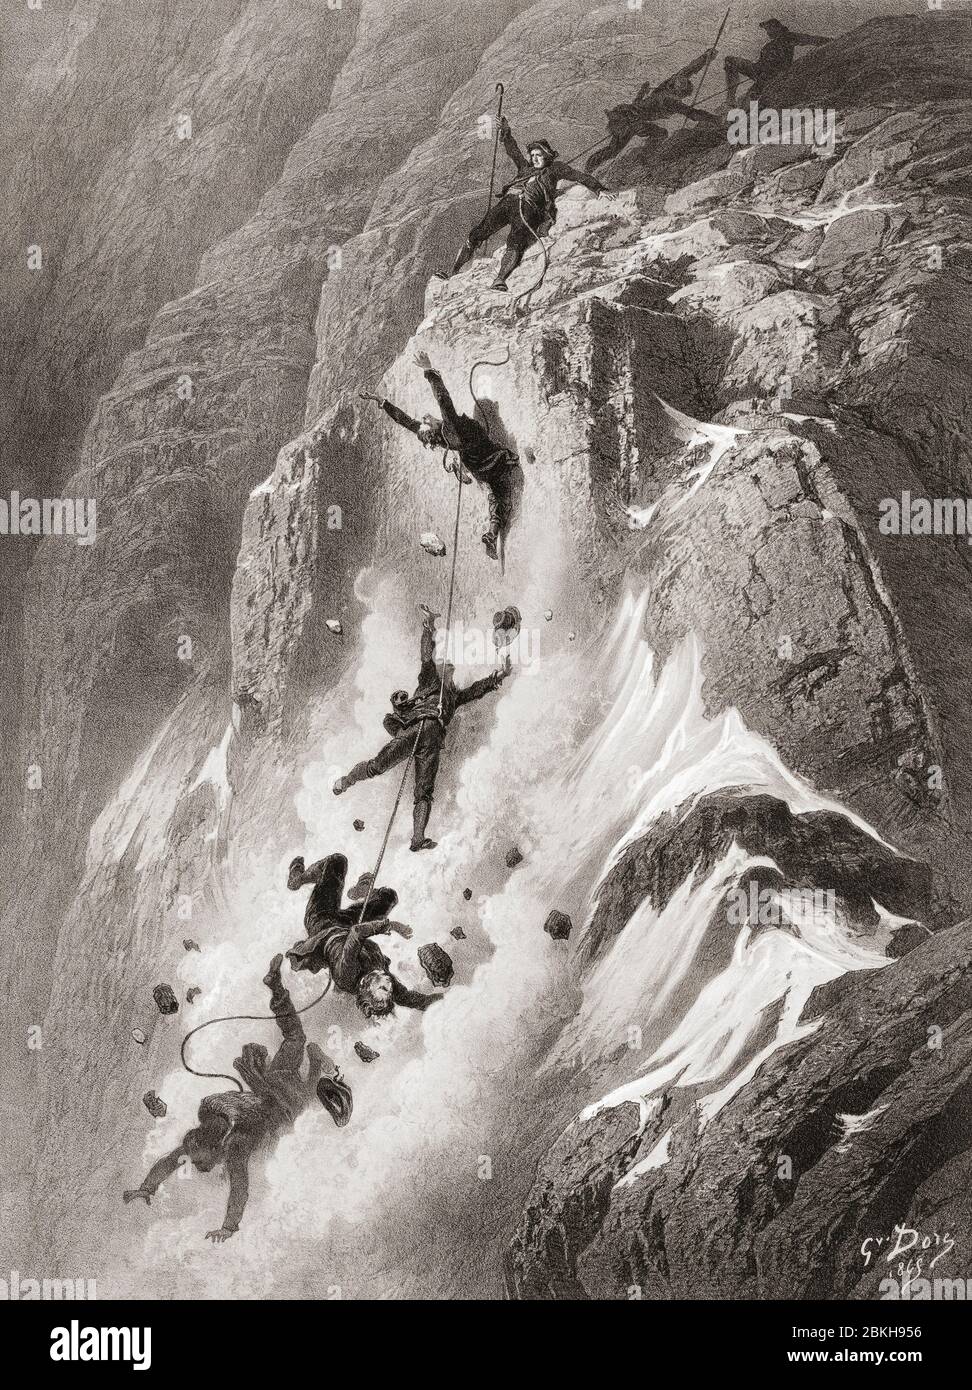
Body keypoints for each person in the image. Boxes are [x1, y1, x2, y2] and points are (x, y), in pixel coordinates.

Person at [123, 955, 347, 1242]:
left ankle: (315, 1059)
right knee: (295, 1039)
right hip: (275, 1079)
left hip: (286, 1100)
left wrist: (228, 1227)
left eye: (207, 1161)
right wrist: (147, 1186)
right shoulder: (203, 1131)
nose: (204, 1166)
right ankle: (279, 994)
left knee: (303, 1087)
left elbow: (239, 1188)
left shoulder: (235, 1146)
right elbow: (171, 1161)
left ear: (216, 1147)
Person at [333, 604, 513, 849]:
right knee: (377, 766)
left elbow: (476, 690)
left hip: (432, 741)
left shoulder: (453, 696)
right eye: (446, 667)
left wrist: (498, 677)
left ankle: (417, 838)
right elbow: (426, 657)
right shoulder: (429, 681)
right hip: (414, 730)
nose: (450, 668)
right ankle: (348, 779)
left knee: (424, 793)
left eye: (451, 668)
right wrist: (429, 626)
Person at [366, 350, 519, 560]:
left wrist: (382, 402)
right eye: (428, 420)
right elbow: (442, 398)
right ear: (434, 427)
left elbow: (407, 422)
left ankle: (492, 533)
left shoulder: (439, 439)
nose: (427, 417)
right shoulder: (451, 426)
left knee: (493, 497)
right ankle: (493, 528)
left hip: (476, 467)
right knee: (500, 493)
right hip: (492, 458)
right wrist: (429, 370)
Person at [450, 117, 608, 291]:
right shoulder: (525, 168)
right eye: (532, 156)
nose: (534, 159)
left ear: (547, 155)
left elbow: (579, 176)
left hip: (529, 208)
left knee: (516, 240)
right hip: (507, 202)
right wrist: (506, 131)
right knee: (478, 233)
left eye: (538, 155)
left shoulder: (555, 169)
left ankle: (500, 279)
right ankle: (453, 272)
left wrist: (599, 189)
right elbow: (513, 151)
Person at [285, 852, 442, 1015]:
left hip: (323, 922)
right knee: (388, 897)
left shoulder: (347, 973)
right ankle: (362, 891)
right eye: (389, 991)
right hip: (348, 924)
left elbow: (357, 932)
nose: (389, 984)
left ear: (365, 988)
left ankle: (298, 879)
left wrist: (390, 925)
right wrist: (445, 1000)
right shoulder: (378, 977)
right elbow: (410, 999)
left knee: (337, 862)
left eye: (383, 988)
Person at [586, 50, 721, 172]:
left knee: (612, 150)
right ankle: (647, 159)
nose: (681, 98)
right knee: (660, 134)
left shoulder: (668, 84)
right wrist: (714, 119)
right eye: (682, 96)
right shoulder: (670, 101)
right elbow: (692, 113)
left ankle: (589, 167)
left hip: (623, 116)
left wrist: (705, 57)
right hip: (631, 122)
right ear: (678, 92)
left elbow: (689, 69)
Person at [724, 18, 830, 103]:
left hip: (770, 76)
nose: (767, 32)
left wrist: (831, 41)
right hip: (760, 72)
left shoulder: (787, 37)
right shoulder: (769, 45)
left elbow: (810, 39)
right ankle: (730, 99)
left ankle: (733, 102)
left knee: (748, 101)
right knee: (730, 61)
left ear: (777, 27)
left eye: (769, 28)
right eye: (766, 29)